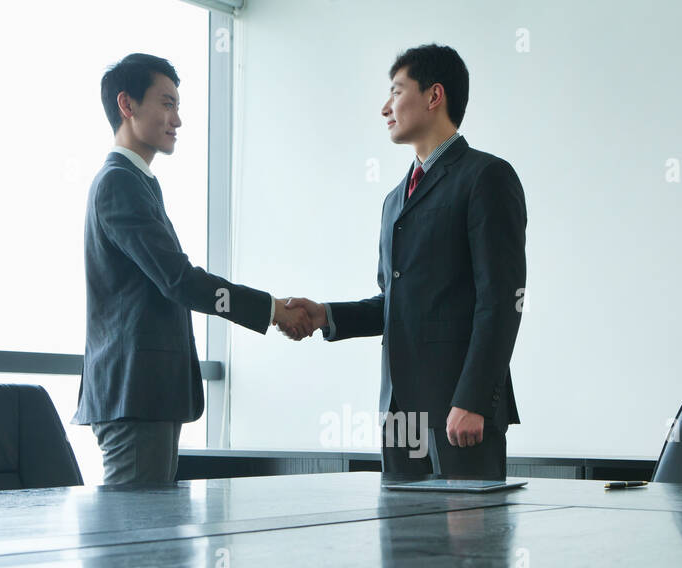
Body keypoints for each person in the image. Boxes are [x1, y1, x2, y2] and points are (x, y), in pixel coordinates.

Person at [283, 44, 527, 481]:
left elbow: (502, 299)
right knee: (401, 547)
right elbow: (396, 303)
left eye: (396, 91)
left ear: (434, 96)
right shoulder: (394, 200)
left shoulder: (485, 177)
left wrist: (472, 398)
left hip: (460, 413)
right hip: (400, 416)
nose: (385, 108)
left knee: (470, 549)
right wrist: (326, 316)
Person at [72, 53, 307, 484]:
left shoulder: (137, 182)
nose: (177, 119)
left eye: (177, 106)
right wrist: (272, 309)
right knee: (137, 539)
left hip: (144, 396)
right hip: (133, 395)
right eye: (166, 104)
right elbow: (178, 280)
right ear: (127, 105)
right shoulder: (119, 182)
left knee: (148, 538)